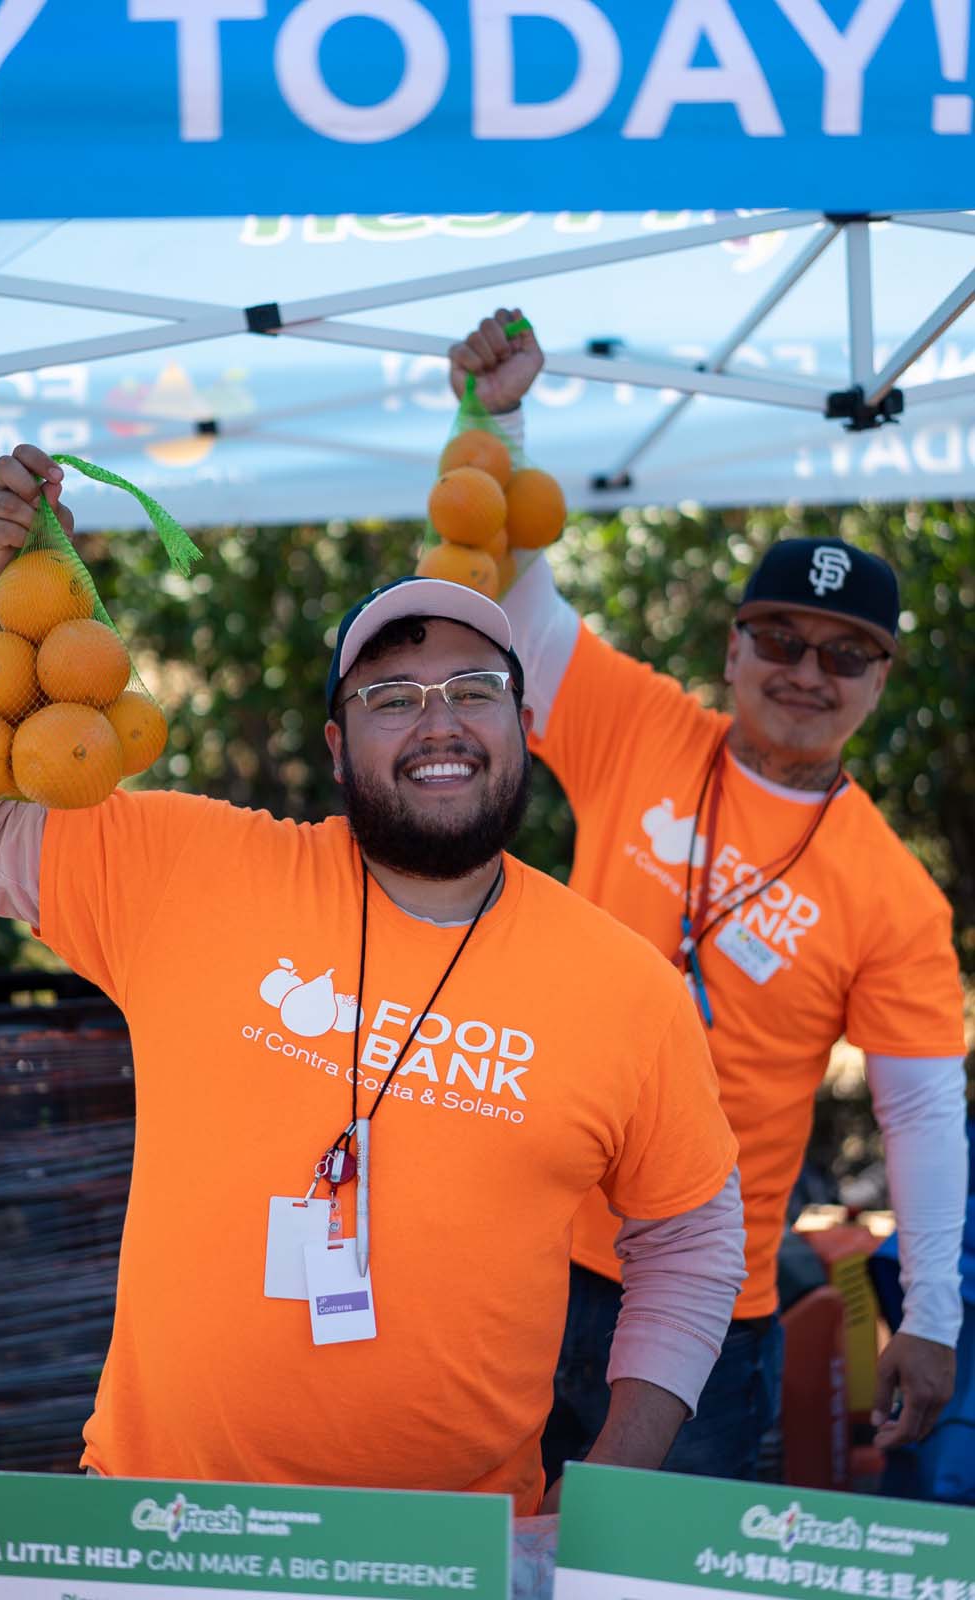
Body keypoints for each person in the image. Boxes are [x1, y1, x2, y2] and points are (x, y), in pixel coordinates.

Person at [0, 445, 745, 1513]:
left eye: (474, 689)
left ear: (523, 731)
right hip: (169, 1531)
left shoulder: (625, 984)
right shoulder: (189, 869)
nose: (438, 721)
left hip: (456, 1554)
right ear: (337, 747)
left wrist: (615, 1488)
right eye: (391, 695)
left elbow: (692, 1233)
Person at [446, 311, 970, 1483]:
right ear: (732, 649)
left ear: (880, 681)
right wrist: (497, 416)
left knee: (650, 1576)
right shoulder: (640, 725)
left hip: (702, 1304)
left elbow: (922, 1117)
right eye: (780, 636)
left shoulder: (891, 891)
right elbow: (513, 596)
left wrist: (930, 1315)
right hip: (519, 1249)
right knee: (490, 1551)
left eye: (845, 653)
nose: (805, 671)